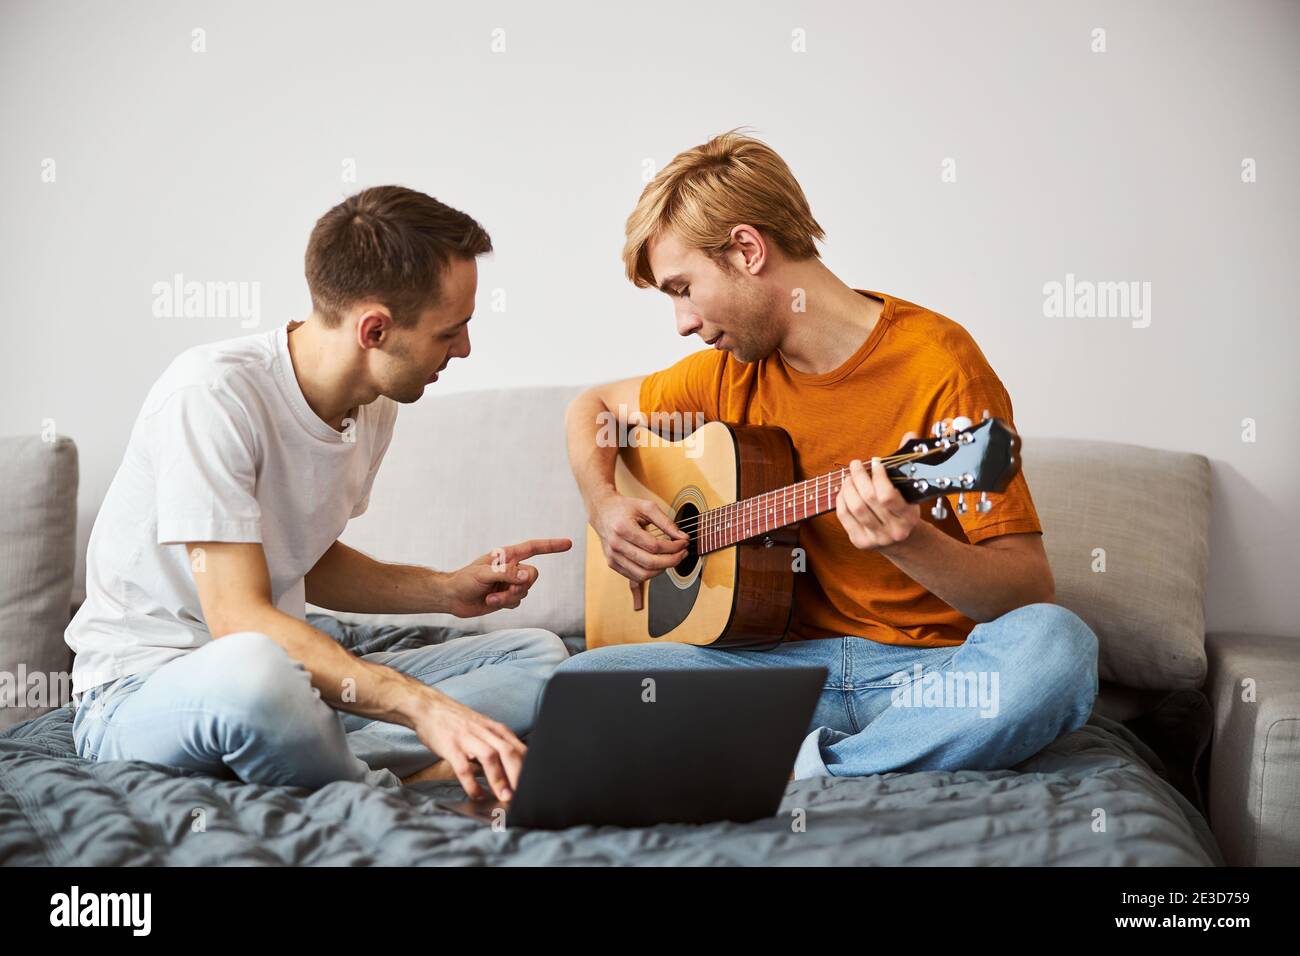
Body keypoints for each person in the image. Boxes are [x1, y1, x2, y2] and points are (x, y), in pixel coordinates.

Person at [561, 131, 1098, 779]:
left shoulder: (938, 363)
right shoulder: (725, 374)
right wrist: (606, 505)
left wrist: (908, 541)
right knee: (579, 683)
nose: (682, 323)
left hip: (927, 678)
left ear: (746, 249)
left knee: (1058, 648)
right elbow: (590, 408)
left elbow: (1027, 592)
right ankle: (883, 757)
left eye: (683, 288)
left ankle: (825, 770)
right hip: (781, 673)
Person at [67, 186, 570, 799]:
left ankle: (311, 751)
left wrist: (444, 590)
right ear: (375, 329)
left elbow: (304, 557)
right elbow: (238, 618)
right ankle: (382, 785)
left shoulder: (376, 404)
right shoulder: (211, 395)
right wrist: (419, 706)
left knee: (540, 660)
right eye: (451, 330)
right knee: (257, 672)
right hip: (141, 693)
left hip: (290, 683)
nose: (464, 348)